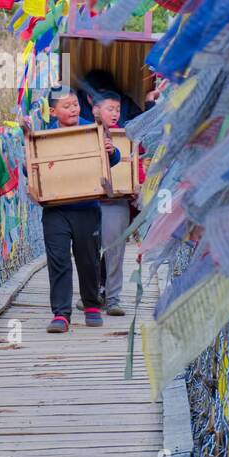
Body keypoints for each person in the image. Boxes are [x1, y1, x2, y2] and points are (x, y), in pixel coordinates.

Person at [25, 89, 120, 334]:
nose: (74, 109)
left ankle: (91, 306)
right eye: (67, 106)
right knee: (59, 260)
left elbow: (112, 159)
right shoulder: (44, 137)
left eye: (76, 104)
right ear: (53, 111)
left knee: (88, 260)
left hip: (87, 207)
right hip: (56, 210)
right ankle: (61, 314)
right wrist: (30, 160)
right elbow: (30, 170)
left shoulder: (93, 130)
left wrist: (111, 151)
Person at [91, 91, 130, 317]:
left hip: (116, 201)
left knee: (115, 250)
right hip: (87, 202)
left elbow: (135, 165)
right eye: (110, 109)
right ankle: (92, 295)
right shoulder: (83, 133)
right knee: (88, 252)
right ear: (96, 110)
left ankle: (114, 299)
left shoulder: (127, 135)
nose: (115, 113)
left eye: (118, 109)